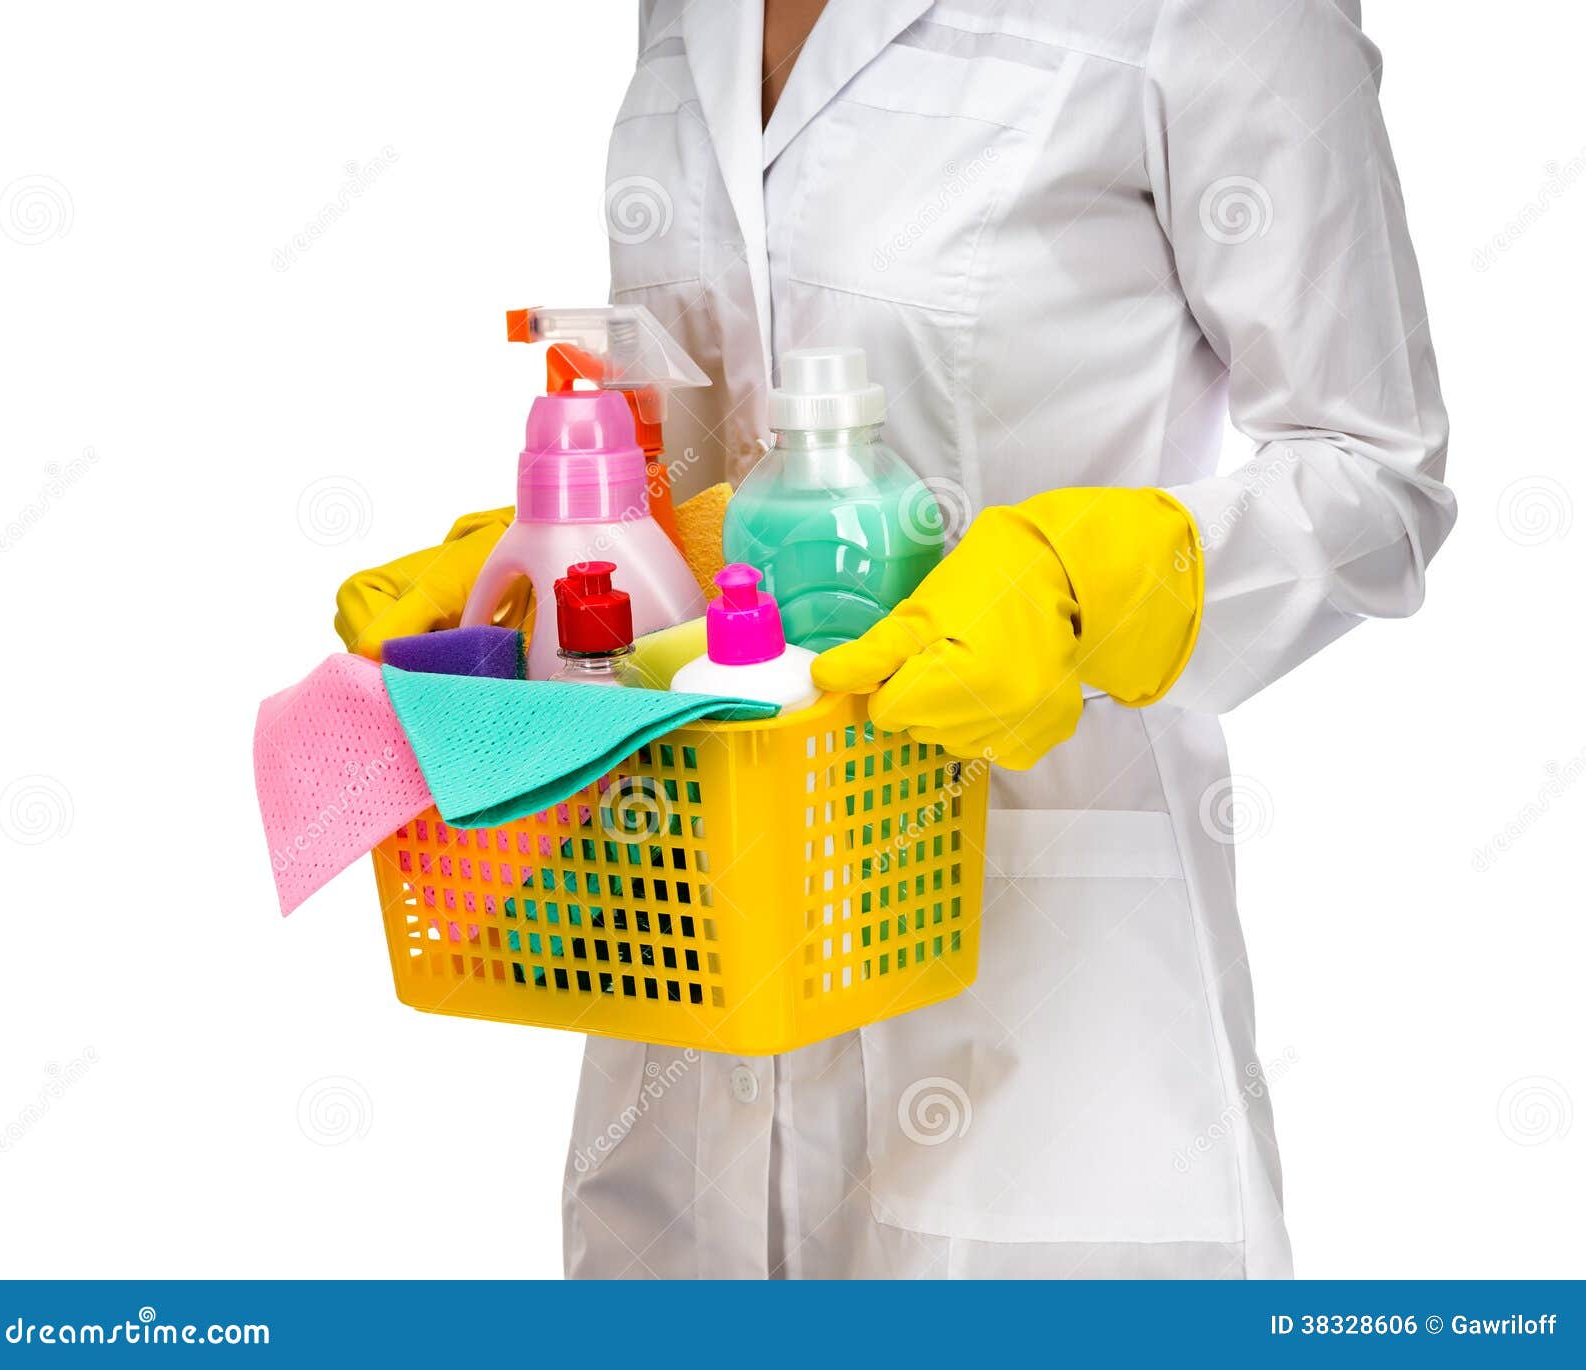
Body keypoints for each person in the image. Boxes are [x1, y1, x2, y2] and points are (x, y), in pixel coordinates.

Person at [338, 0, 1454, 1279]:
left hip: (1041, 1042)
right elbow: (722, 446)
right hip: (685, 1021)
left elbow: (1378, 478)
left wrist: (1094, 583)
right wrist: (562, 554)